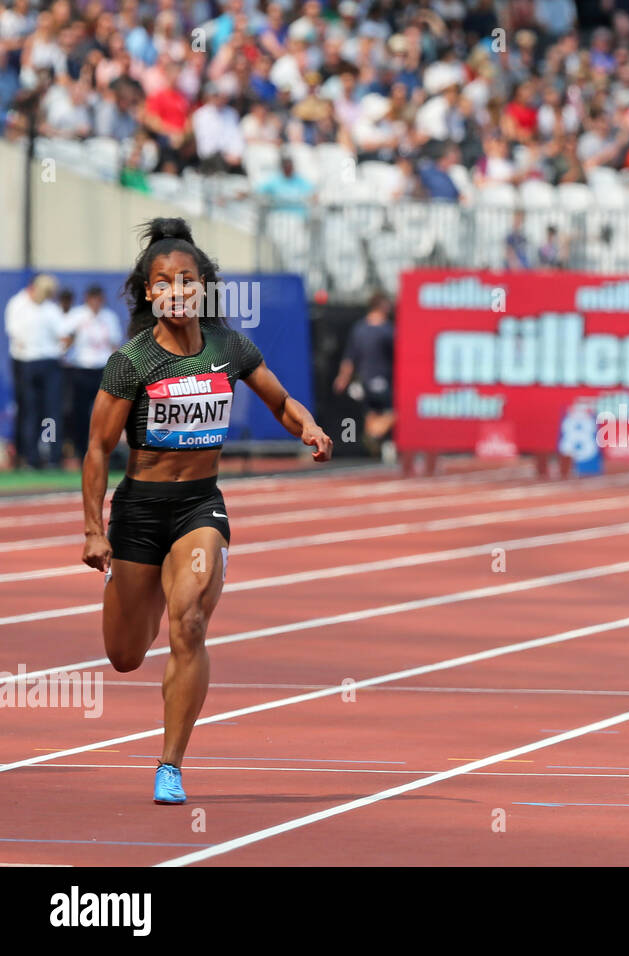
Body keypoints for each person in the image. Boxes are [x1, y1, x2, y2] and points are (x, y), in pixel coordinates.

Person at [81, 218, 333, 804]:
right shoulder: (132, 362)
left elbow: (280, 400)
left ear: (203, 288)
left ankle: (169, 764)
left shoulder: (229, 347)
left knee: (189, 621)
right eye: (163, 281)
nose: (176, 290)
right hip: (139, 511)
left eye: (186, 280)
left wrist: (310, 427)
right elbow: (96, 449)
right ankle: (131, 581)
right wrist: (95, 531)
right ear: (150, 292)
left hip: (200, 506)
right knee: (123, 656)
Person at [4, 273, 67, 468]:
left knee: (51, 411)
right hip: (26, 364)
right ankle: (30, 457)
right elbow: (16, 336)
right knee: (29, 411)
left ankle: (52, 456)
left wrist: (58, 349)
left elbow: (63, 335)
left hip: (50, 363)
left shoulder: (51, 308)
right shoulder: (17, 305)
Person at [62, 285, 123, 463]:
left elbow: (114, 345)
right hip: (80, 369)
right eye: (92, 298)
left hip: (102, 369)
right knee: (79, 413)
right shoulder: (77, 316)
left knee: (103, 413)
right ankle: (82, 452)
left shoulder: (109, 317)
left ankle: (103, 451)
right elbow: (65, 339)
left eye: (99, 299)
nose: (96, 303)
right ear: (87, 299)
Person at [332, 292, 394, 459]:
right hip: (382, 379)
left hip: (365, 380)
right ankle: (376, 437)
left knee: (372, 414)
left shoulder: (359, 328)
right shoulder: (387, 330)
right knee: (394, 412)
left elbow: (349, 357)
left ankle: (378, 444)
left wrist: (343, 378)